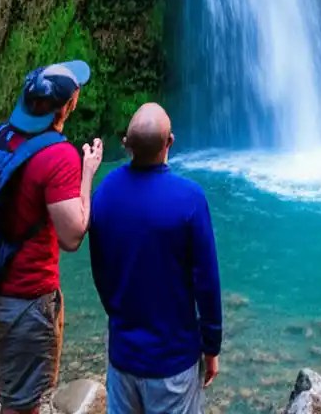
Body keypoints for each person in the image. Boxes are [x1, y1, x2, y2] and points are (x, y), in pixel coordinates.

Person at [0, 61, 105, 414]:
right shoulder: (57, 155)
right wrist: (87, 174)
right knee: (21, 406)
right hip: (24, 303)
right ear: (67, 107)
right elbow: (72, 235)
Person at [89, 103, 223, 414]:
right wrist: (211, 346)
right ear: (170, 143)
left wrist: (119, 316)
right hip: (173, 361)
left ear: (126, 144)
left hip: (123, 356)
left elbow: (100, 269)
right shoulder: (189, 199)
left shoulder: (105, 192)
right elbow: (207, 282)